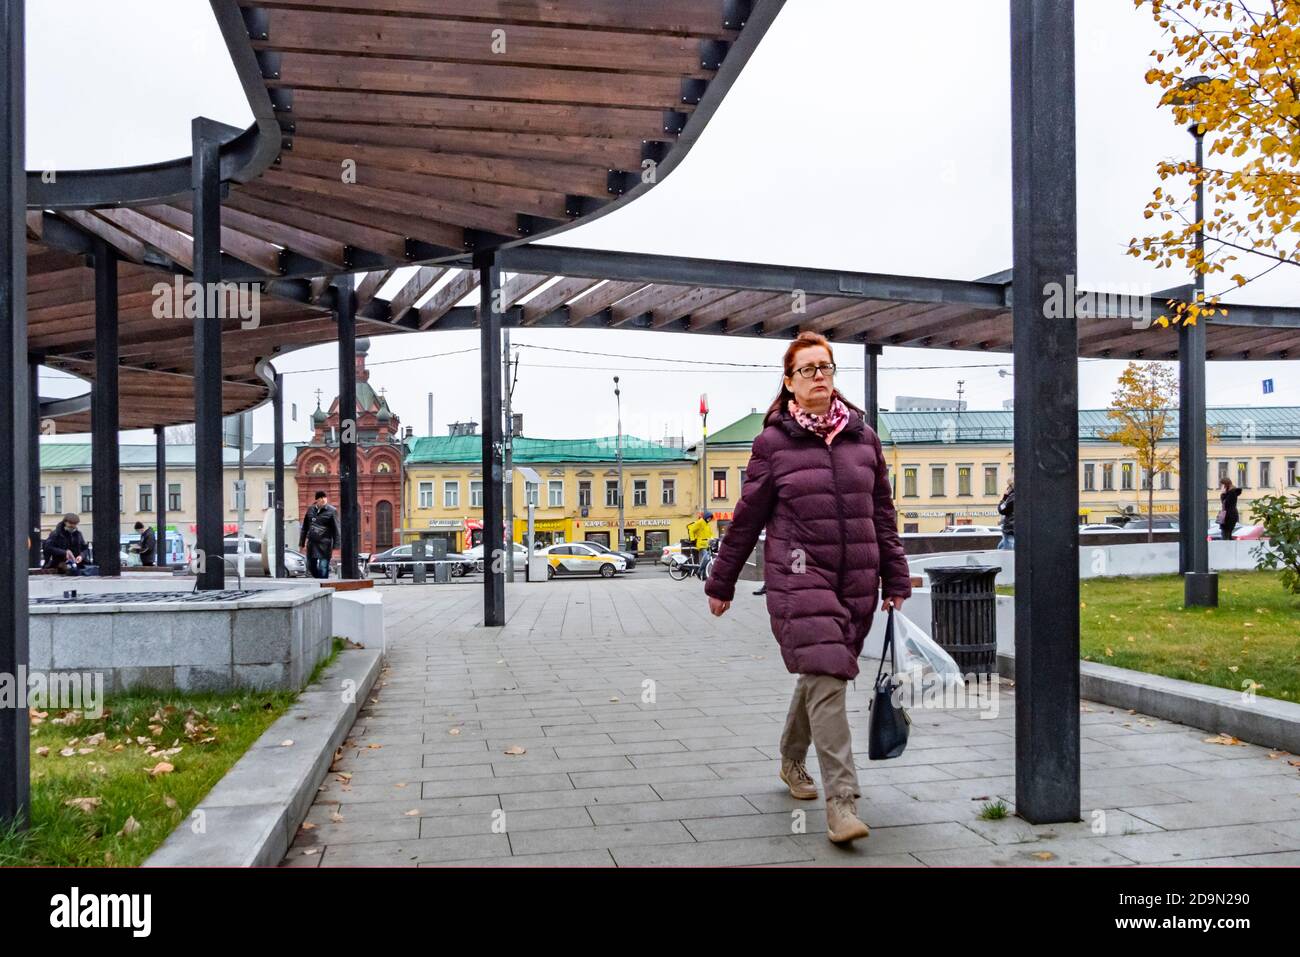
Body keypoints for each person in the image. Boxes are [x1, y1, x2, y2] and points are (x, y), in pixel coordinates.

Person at [704, 331, 912, 845]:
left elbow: (882, 514)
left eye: (826, 367)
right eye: (807, 370)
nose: (819, 376)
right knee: (826, 672)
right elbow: (747, 518)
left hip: (857, 578)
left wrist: (896, 574)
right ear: (789, 382)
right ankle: (842, 805)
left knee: (825, 676)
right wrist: (722, 579)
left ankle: (791, 760)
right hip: (800, 578)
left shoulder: (864, 438)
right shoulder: (772, 443)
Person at [299, 491, 341, 579]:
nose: (323, 500)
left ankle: (323, 585)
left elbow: (336, 529)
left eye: (324, 497)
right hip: (312, 543)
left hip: (325, 544)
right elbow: (305, 528)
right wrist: (301, 543)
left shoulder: (332, 511)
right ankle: (319, 580)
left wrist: (337, 545)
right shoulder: (310, 510)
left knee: (323, 567)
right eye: (321, 498)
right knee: (310, 566)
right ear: (316, 500)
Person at [997, 480, 1015, 550]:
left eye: (1008, 486)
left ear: (1011, 487)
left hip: (1010, 529)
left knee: (1007, 551)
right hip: (1014, 528)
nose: (1007, 488)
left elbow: (1001, 509)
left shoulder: (1012, 498)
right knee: (1000, 547)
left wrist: (1004, 498)